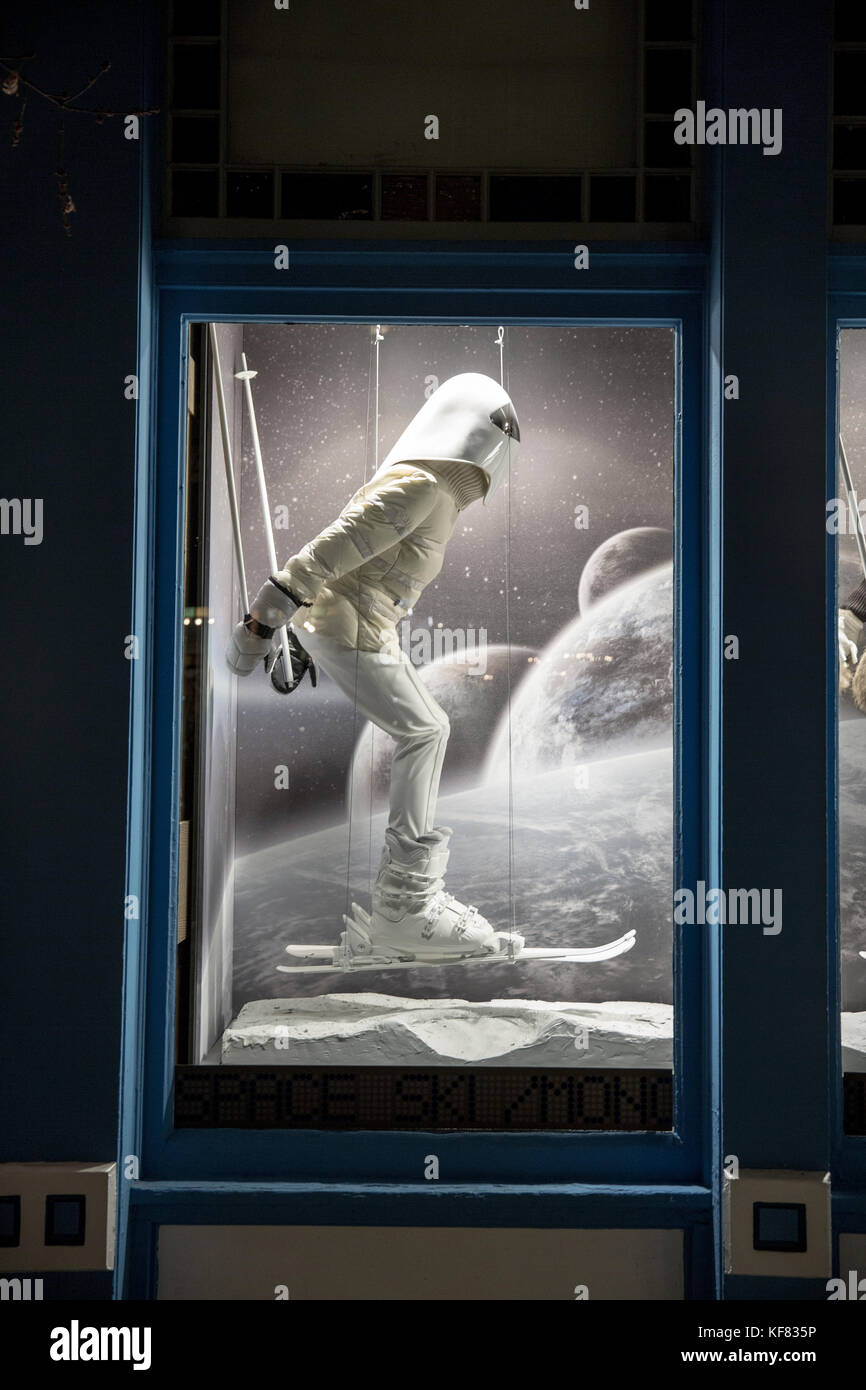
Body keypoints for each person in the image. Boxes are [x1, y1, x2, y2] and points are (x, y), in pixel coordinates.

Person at [227, 372, 520, 960]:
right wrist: (264, 622)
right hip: (350, 627)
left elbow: (351, 563)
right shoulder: (418, 487)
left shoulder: (426, 488)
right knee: (425, 728)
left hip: (356, 625)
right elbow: (326, 552)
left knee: (427, 726)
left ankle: (409, 900)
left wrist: (292, 630)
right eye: (499, 429)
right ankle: (404, 907)